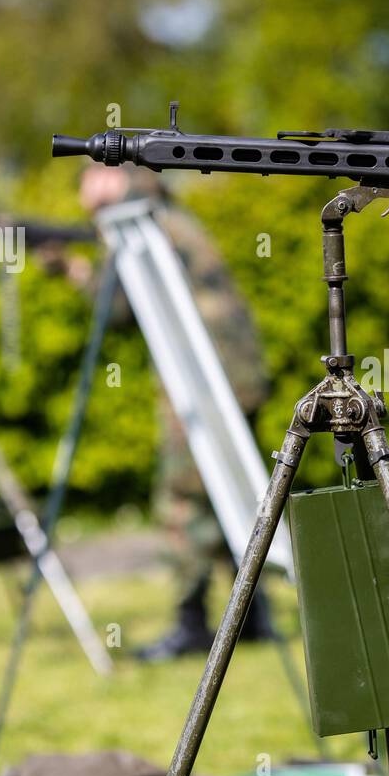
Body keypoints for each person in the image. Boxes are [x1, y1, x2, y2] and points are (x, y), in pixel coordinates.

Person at [77, 165, 277, 661]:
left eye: (89, 175)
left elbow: (116, 309)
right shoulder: (168, 217)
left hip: (202, 378)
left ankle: (192, 624)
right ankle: (253, 617)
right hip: (231, 373)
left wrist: (77, 272)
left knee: (184, 499)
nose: (82, 190)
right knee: (232, 492)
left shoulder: (140, 224)